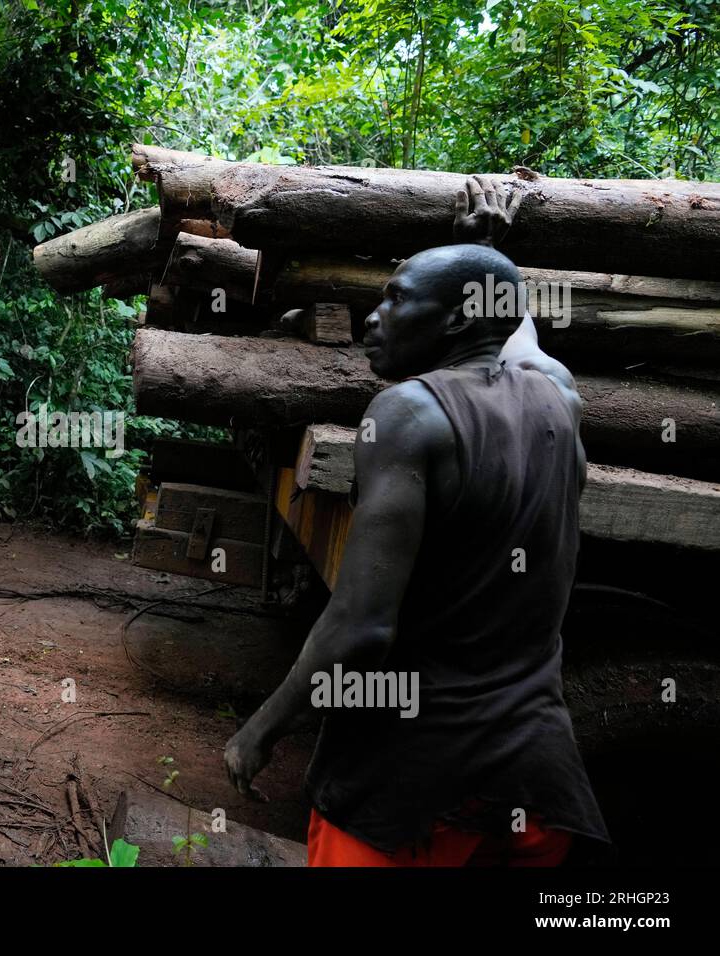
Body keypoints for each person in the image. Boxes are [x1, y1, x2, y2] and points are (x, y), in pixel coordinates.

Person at [223, 178, 611, 866]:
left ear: (456, 321)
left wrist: (261, 729)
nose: (373, 316)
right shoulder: (559, 394)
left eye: (397, 299)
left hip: (410, 775)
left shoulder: (408, 413)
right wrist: (480, 250)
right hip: (534, 782)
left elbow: (363, 627)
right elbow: (509, 339)